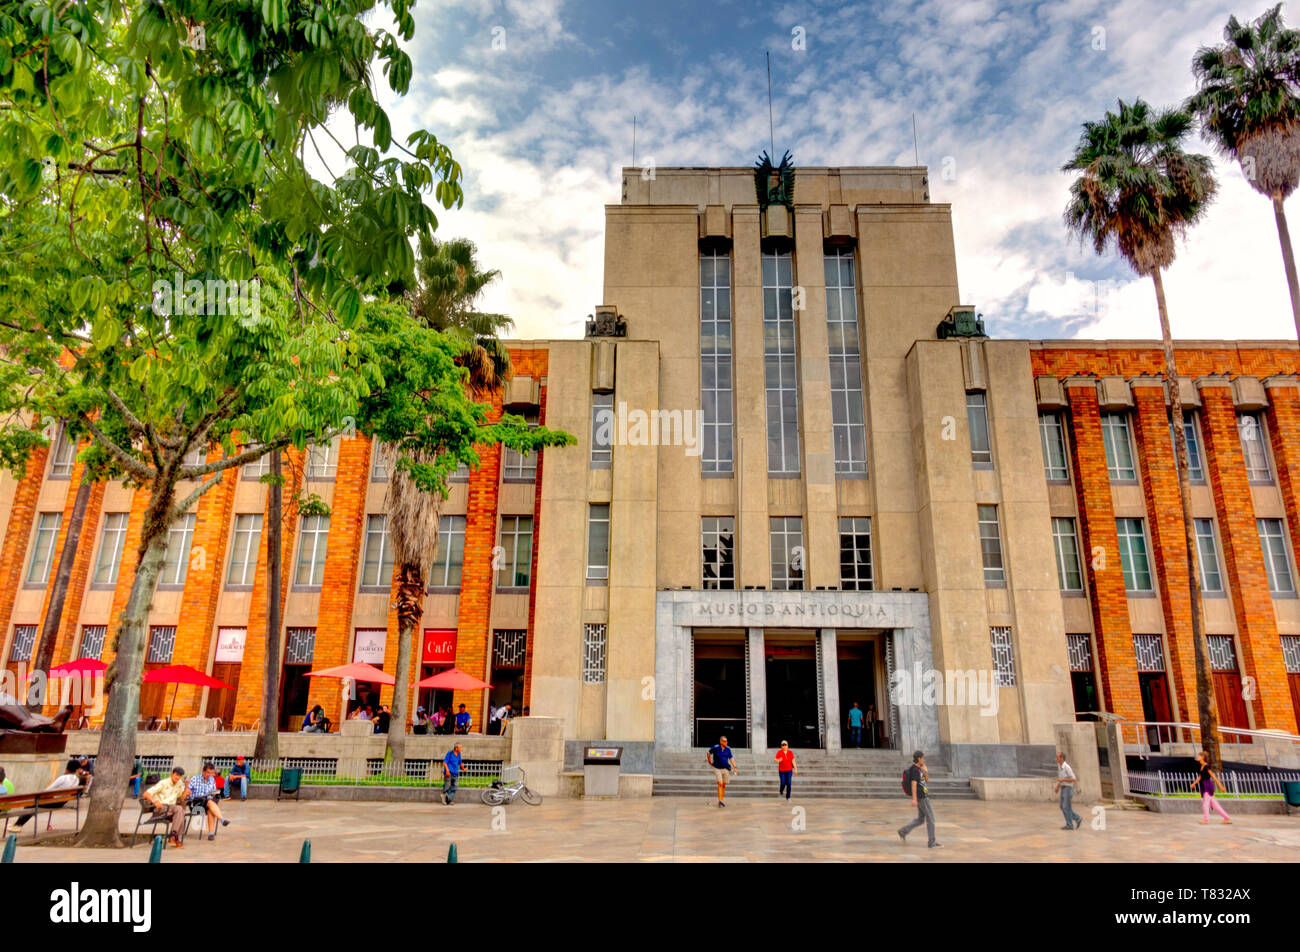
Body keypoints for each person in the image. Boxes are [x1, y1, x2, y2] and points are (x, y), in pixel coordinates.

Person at [12, 759, 82, 830]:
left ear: (67, 767)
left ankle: (18, 825)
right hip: (61, 802)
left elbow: (48, 790)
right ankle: (18, 825)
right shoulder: (76, 779)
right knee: (33, 805)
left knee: (30, 805)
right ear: (76, 769)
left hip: (53, 803)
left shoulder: (63, 778)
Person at [898, 750, 940, 848]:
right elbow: (913, 784)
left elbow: (926, 781)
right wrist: (914, 799)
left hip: (923, 796)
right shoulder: (914, 770)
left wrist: (926, 771)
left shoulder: (919, 769)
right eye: (923, 758)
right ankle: (932, 842)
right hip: (922, 798)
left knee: (921, 819)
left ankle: (903, 831)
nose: (924, 760)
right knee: (931, 819)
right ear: (919, 759)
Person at [143, 766, 189, 848]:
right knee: (179, 809)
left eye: (180, 776)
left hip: (171, 810)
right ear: (172, 774)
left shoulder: (179, 784)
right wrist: (154, 801)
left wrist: (186, 787)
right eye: (176, 775)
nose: (178, 777)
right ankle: (174, 837)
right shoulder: (163, 783)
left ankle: (173, 836)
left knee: (181, 813)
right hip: (160, 808)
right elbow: (146, 794)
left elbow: (182, 799)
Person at [187, 762, 231, 840]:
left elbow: (213, 792)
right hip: (196, 804)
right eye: (208, 773)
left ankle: (211, 833)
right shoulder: (194, 779)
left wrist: (214, 793)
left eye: (212, 773)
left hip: (207, 803)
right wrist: (188, 792)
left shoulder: (212, 780)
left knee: (210, 808)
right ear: (203, 772)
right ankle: (221, 819)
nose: (210, 775)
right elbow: (187, 790)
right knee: (210, 803)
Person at [1192, 750, 1231, 825]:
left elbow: (1213, 776)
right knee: (1215, 804)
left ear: (1202, 757)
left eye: (1199, 756)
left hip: (1207, 786)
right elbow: (1200, 777)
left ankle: (1206, 820)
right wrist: (1194, 783)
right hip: (1204, 785)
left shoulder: (1206, 766)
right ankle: (1226, 817)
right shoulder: (1202, 766)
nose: (1197, 757)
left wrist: (1221, 786)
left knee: (1205, 804)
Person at [706, 735, 738, 807]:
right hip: (717, 768)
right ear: (720, 741)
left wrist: (735, 767)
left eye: (726, 741)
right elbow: (708, 753)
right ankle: (720, 801)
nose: (726, 742)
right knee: (720, 783)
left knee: (723, 784)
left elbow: (731, 758)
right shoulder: (716, 747)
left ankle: (721, 800)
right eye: (724, 741)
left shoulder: (728, 749)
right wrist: (709, 761)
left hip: (725, 768)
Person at [1055, 751, 1082, 830]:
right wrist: (1057, 787)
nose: (1056, 759)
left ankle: (1070, 824)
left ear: (1062, 758)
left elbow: (1073, 778)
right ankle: (1077, 818)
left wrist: (1063, 779)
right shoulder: (1060, 767)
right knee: (1062, 807)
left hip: (1068, 789)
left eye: (1058, 757)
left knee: (1066, 807)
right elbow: (1061, 779)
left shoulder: (1067, 767)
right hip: (1063, 788)